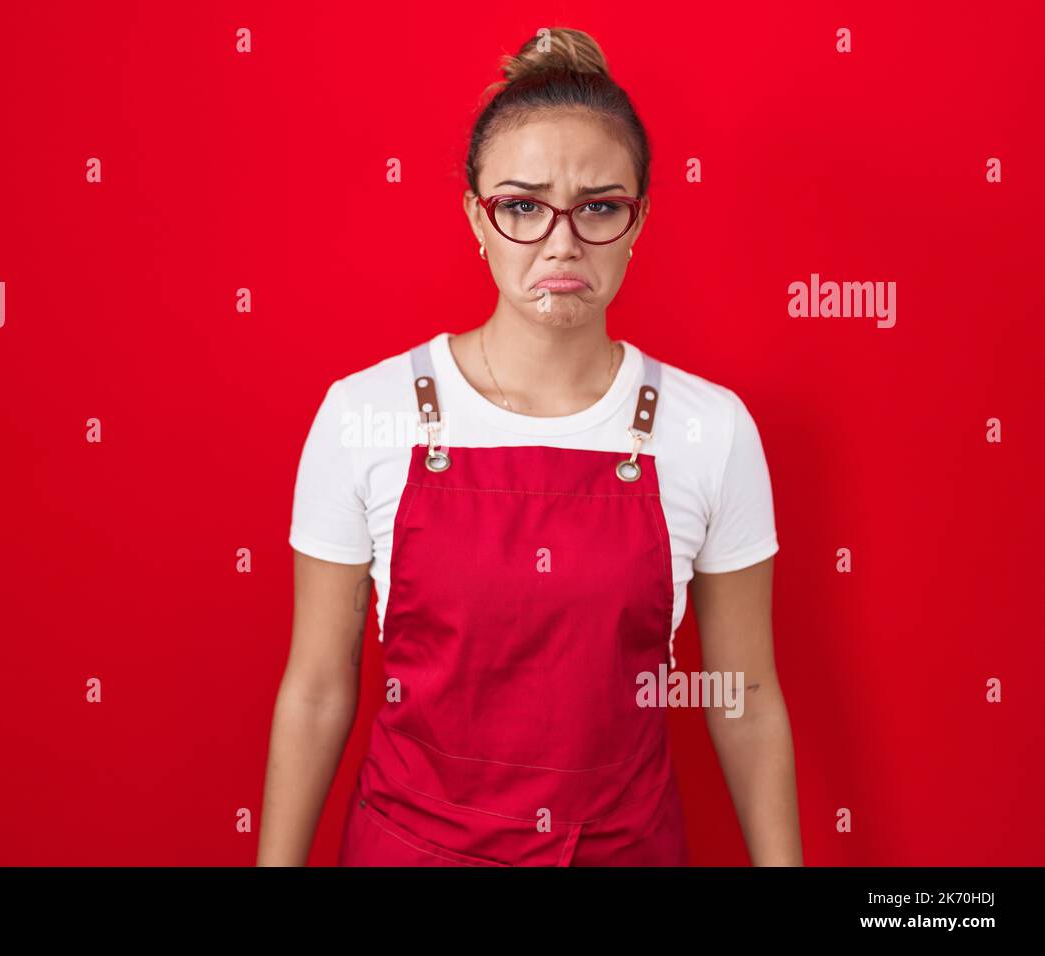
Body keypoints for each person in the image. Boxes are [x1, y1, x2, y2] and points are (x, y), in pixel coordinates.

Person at [258, 27, 802, 867]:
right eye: (522, 204)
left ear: (638, 220)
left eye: (598, 206)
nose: (561, 242)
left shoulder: (711, 428)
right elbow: (318, 689)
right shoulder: (365, 413)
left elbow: (745, 696)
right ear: (476, 215)